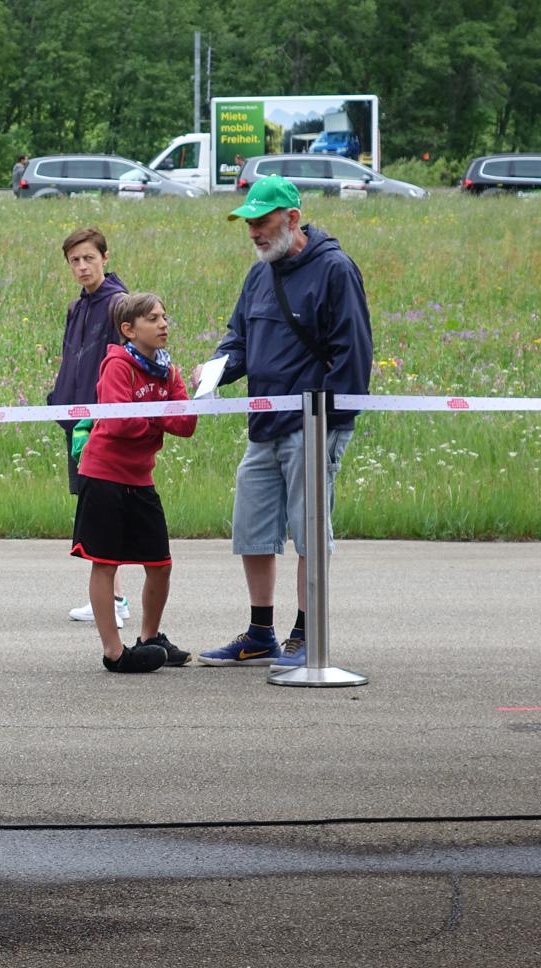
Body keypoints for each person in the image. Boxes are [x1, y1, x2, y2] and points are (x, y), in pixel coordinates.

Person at [196, 175, 373, 668]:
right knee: (252, 530)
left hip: (313, 429)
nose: (253, 231)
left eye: (262, 221)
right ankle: (260, 633)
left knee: (309, 532)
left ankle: (306, 634)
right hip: (264, 427)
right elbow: (239, 340)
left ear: (292, 219)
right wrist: (216, 372)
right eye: (248, 223)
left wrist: (328, 424)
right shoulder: (260, 273)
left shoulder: (335, 269)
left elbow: (353, 354)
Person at [73, 292, 197, 672]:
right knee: (105, 563)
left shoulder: (169, 370)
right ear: (129, 329)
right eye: (153, 319)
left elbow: (185, 424)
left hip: (140, 479)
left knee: (160, 562)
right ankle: (114, 652)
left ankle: (149, 637)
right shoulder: (118, 366)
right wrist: (160, 416)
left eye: (164, 316)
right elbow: (119, 422)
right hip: (104, 475)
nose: (163, 324)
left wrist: (186, 394)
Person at [52, 227, 131, 627]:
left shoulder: (119, 305)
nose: (82, 267)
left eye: (88, 258)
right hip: (76, 420)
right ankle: (110, 596)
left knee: (104, 508)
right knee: (89, 505)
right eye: (74, 261)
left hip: (104, 423)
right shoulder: (76, 307)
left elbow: (128, 362)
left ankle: (114, 601)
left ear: (104, 257)